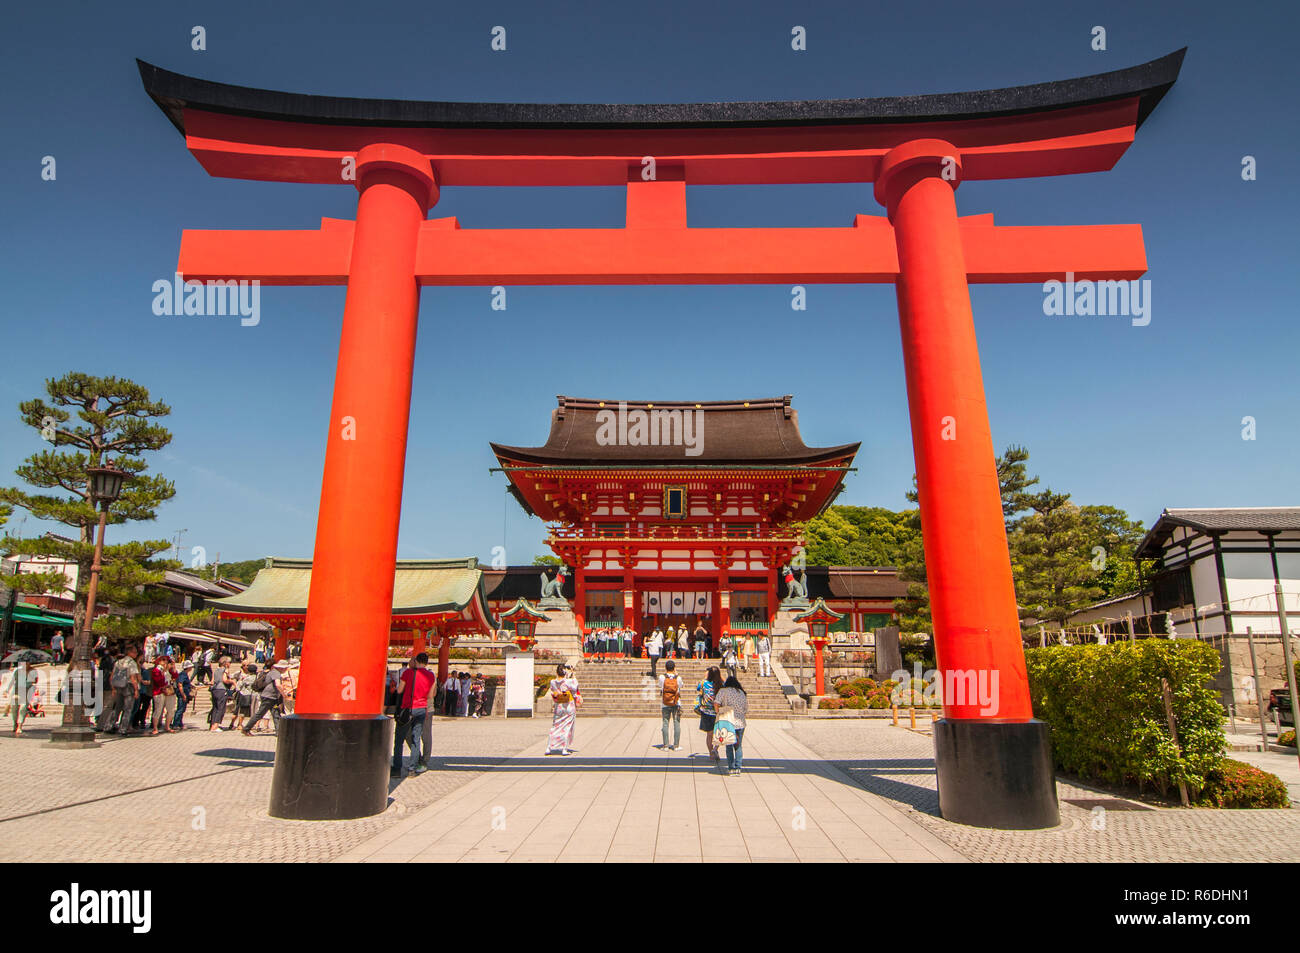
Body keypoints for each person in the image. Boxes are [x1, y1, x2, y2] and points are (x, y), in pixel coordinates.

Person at [391, 652, 437, 777]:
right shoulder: (431, 675)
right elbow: (430, 695)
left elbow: (400, 690)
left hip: (408, 708)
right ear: (427, 662)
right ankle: (412, 769)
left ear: (416, 661)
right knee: (416, 739)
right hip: (422, 708)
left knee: (399, 739)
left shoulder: (408, 673)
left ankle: (396, 768)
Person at [712, 675, 749, 775]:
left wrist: (718, 713)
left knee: (729, 745)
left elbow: (716, 703)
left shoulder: (723, 691)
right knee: (738, 746)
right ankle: (738, 767)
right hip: (740, 722)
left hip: (728, 721)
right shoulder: (741, 692)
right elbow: (746, 709)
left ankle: (731, 767)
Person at [241, 660, 289, 736]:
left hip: (271, 697)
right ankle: (246, 728)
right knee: (260, 713)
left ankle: (279, 732)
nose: (286, 669)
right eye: (285, 668)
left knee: (276, 713)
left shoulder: (272, 672)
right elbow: (278, 685)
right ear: (281, 668)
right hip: (269, 697)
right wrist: (284, 695)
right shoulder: (276, 673)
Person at [104, 644, 141, 735]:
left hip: (118, 686)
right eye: (134, 652)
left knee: (117, 708)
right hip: (128, 686)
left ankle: (109, 726)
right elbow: (133, 677)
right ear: (129, 652)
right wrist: (136, 690)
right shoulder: (131, 663)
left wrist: (113, 688)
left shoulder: (118, 662)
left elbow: (112, 676)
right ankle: (123, 729)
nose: (136, 654)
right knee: (128, 709)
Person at [545, 663, 580, 756]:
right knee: (567, 726)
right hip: (568, 705)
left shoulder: (553, 682)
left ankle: (549, 747)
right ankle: (564, 748)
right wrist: (573, 674)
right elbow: (575, 686)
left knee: (555, 726)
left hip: (559, 706)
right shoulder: (568, 682)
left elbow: (553, 690)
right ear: (565, 672)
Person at [695, 666, 722, 762]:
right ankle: (715, 749)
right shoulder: (721, 684)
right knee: (720, 734)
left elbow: (698, 689)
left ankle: (711, 754)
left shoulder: (704, 683)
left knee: (709, 735)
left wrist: (706, 677)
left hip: (706, 711)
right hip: (718, 712)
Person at [658, 659, 683, 751]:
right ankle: (676, 745)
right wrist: (676, 674)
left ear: (665, 668)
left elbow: (660, 686)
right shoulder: (678, 678)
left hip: (665, 703)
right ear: (674, 668)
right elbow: (681, 686)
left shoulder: (662, 677)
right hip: (676, 703)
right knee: (676, 723)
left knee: (665, 723)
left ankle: (665, 745)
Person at [149, 657, 178, 735]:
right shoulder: (156, 670)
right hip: (159, 692)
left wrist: (173, 667)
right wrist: (164, 670)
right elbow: (159, 681)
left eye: (166, 661)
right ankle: (155, 728)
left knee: (171, 709)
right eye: (163, 660)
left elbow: (175, 676)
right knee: (158, 710)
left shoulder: (169, 670)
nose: (165, 662)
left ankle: (167, 726)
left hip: (169, 691)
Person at [208, 656, 234, 731]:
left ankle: (212, 724)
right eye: (229, 662)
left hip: (214, 690)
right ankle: (216, 725)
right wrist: (232, 682)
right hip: (222, 690)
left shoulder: (216, 670)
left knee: (215, 707)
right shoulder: (225, 670)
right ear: (225, 663)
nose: (230, 664)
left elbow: (212, 681)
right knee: (221, 708)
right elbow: (225, 680)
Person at [9, 662, 35, 736]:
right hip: (16, 691)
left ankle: (20, 726)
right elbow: (12, 681)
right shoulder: (17, 671)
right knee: (14, 708)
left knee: (23, 708)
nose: (25, 664)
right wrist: (7, 690)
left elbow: (35, 681)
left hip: (27, 692)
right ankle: (15, 723)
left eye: (27, 663)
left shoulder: (33, 671)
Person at [229, 663, 256, 731]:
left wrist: (240, 681)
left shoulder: (246, 678)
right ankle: (240, 724)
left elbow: (238, 687)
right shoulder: (256, 678)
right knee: (243, 711)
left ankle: (234, 724)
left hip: (243, 695)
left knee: (239, 710)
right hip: (251, 695)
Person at [172, 660, 195, 730]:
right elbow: (180, 684)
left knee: (182, 709)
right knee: (180, 709)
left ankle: (180, 723)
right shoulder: (182, 675)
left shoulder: (185, 674)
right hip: (182, 694)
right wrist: (183, 694)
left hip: (186, 693)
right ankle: (175, 724)